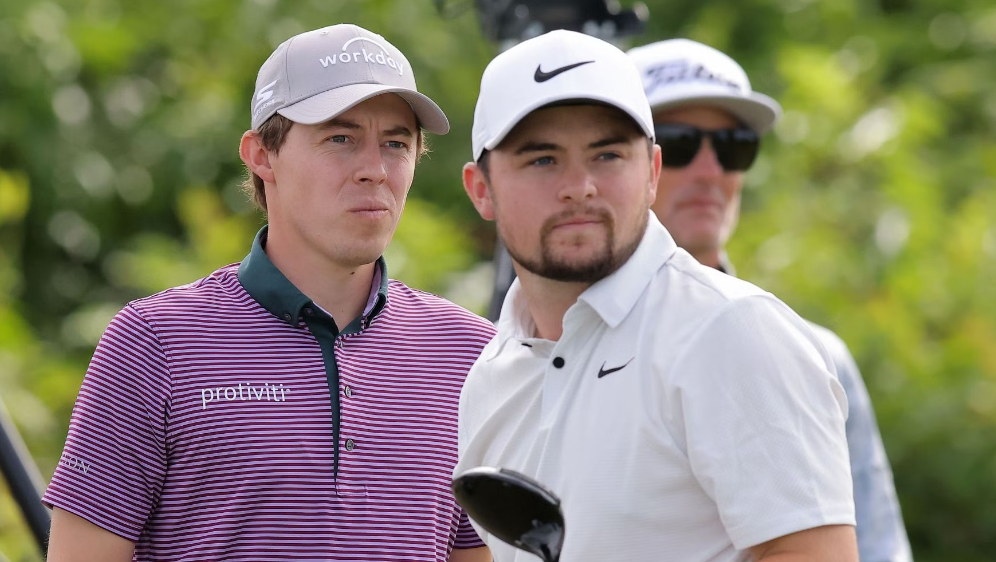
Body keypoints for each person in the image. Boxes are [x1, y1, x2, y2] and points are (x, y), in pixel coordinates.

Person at [43, 24, 495, 562]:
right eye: (340, 139)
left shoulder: (472, 354)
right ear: (261, 155)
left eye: (396, 144)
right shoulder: (154, 342)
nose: (375, 171)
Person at [455, 29, 859, 562]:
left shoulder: (731, 331)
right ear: (481, 189)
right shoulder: (488, 378)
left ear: (651, 172)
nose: (580, 186)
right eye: (543, 159)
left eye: (607, 155)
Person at [628, 38, 912, 562]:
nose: (711, 171)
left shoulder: (817, 354)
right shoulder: (525, 351)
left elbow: (876, 548)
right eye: (679, 143)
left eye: (734, 145)